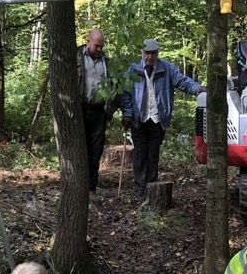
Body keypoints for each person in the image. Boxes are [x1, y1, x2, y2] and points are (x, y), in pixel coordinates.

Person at [121, 39, 204, 200]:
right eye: (147, 53)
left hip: (158, 119)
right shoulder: (133, 70)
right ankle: (139, 189)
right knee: (139, 154)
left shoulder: (167, 69)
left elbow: (182, 81)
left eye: (152, 54)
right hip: (139, 119)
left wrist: (196, 88)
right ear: (142, 53)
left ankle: (152, 189)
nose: (149, 57)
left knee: (153, 154)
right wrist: (127, 114)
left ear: (157, 54)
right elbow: (126, 94)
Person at [77, 29, 116, 197]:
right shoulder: (76, 57)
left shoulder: (107, 63)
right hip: (80, 110)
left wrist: (110, 110)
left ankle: (91, 188)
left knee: (96, 150)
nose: (100, 49)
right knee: (79, 150)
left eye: (102, 46)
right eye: (97, 46)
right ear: (88, 42)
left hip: (99, 111)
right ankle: (78, 187)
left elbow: (117, 89)